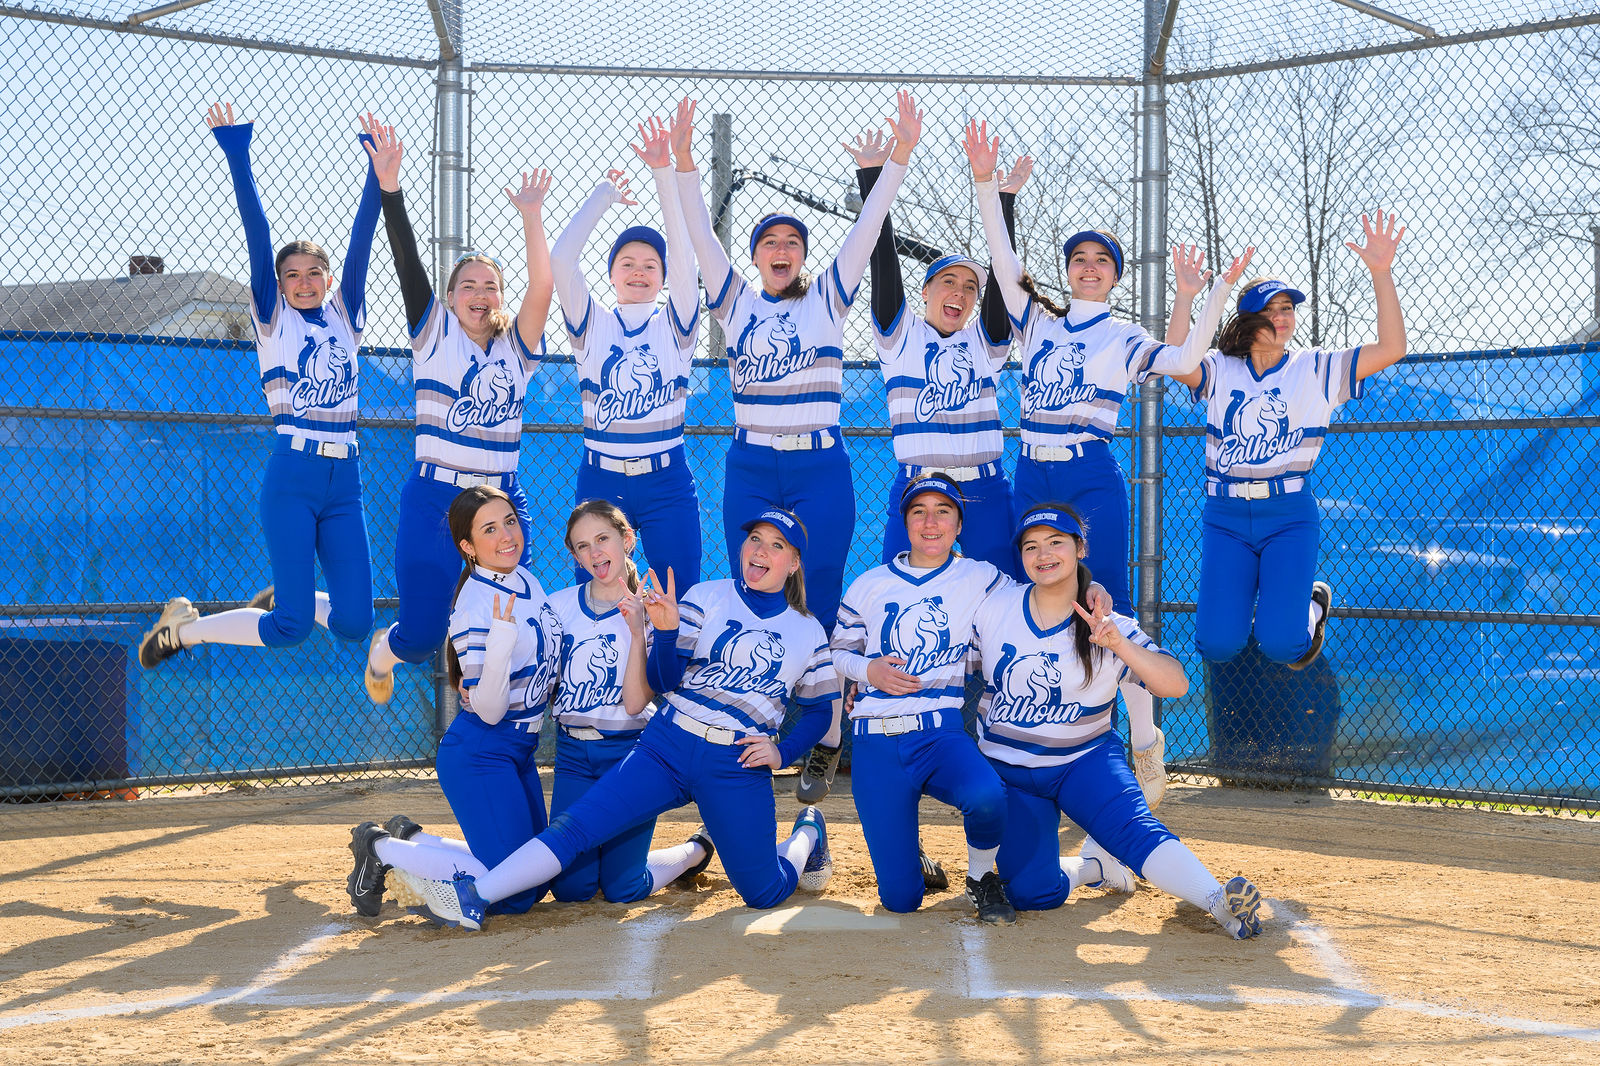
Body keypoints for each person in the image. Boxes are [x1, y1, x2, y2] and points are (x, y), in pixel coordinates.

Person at [965, 117, 1250, 807]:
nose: (1088, 267)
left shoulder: (1123, 335)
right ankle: (1039, 739)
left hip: (1090, 474)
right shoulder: (1038, 320)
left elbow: (1185, 358)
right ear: (1067, 270)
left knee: (1105, 610)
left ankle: (1143, 738)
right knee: (1031, 599)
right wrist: (987, 186)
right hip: (1033, 471)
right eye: (1079, 259)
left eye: (1102, 261)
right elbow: (1001, 262)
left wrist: (1210, 291)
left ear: (1116, 277)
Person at [381, 508, 839, 930]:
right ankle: (473, 895)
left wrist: (782, 752)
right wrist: (665, 633)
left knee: (762, 892)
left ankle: (805, 834)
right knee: (572, 860)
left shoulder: (807, 631)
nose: (761, 551)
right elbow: (664, 679)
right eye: (755, 539)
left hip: (733, 762)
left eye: (776, 545)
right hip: (668, 746)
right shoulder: (705, 597)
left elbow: (820, 709)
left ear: (794, 563)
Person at [672, 92, 923, 636]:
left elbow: (868, 227)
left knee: (820, 584)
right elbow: (701, 236)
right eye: (769, 242)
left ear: (803, 255)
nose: (781, 249)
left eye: (792, 242)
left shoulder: (826, 298)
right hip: (752, 464)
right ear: (755, 256)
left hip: (819, 464)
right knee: (752, 582)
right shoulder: (736, 302)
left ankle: (822, 689)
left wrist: (899, 156)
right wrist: (686, 163)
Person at [139, 104, 381, 668]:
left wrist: (378, 173)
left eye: (313, 273)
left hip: (345, 479)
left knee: (354, 622)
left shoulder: (345, 316)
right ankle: (187, 631)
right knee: (290, 628)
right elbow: (258, 232)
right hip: (293, 474)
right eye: (291, 274)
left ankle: (291, 597)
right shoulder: (273, 318)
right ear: (279, 283)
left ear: (328, 279)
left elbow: (362, 241)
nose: (304, 282)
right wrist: (237, 154)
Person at [972, 503, 1265, 938]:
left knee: (1135, 831)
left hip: (1082, 762)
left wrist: (1120, 645)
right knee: (1032, 893)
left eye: (1055, 542)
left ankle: (1218, 902)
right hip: (1010, 771)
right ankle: (1095, 866)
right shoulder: (995, 609)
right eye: (1031, 546)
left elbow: (1175, 683)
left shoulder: (1110, 624)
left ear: (1080, 548)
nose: (1043, 554)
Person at [832, 474, 1112, 925]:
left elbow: (1044, 592)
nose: (931, 522)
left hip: (938, 734)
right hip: (875, 741)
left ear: (959, 525)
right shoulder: (869, 584)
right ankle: (909, 857)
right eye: (919, 512)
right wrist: (868, 671)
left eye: (943, 512)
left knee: (987, 795)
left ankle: (981, 877)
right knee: (900, 901)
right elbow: (839, 653)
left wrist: (1089, 586)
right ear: (904, 522)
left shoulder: (981, 578)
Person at [357, 121, 553, 703]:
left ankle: (485, 714)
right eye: (467, 285)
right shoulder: (434, 334)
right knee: (421, 637)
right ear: (449, 298)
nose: (479, 294)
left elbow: (543, 286)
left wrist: (531, 216)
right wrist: (390, 189)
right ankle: (384, 648)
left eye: (490, 286)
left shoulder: (517, 349)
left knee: (505, 621)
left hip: (499, 499)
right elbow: (407, 261)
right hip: (436, 498)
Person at [1168, 212, 1407, 670]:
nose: (1281, 318)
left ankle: (1310, 607)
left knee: (1281, 645)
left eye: (1288, 309)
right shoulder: (1220, 367)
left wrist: (1381, 272)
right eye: (1270, 310)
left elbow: (1392, 348)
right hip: (1226, 516)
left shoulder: (1316, 367)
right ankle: (1260, 604)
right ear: (1247, 320)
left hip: (1288, 514)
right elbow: (1176, 360)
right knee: (1217, 645)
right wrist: (1185, 297)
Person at [346, 485, 562, 918]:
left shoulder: (525, 579)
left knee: (536, 878)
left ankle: (414, 841)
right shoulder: (474, 607)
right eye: (489, 529)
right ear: (468, 546)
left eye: (510, 521)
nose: (507, 536)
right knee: (515, 894)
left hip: (519, 747)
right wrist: (500, 641)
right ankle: (380, 848)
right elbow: (491, 710)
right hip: (481, 752)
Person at [549, 109, 703, 590]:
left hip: (665, 480)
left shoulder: (674, 324)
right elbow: (561, 259)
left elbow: (685, 258)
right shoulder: (593, 324)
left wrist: (663, 174)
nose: (639, 271)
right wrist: (604, 195)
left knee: (678, 594)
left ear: (663, 277)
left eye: (650, 265)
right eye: (627, 262)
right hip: (602, 479)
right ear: (612, 273)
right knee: (597, 600)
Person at [545, 499, 713, 902]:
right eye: (582, 546)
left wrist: (639, 631)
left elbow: (636, 703)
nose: (594, 553)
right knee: (570, 888)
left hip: (631, 756)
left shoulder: (657, 610)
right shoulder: (557, 607)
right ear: (574, 555)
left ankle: (697, 849)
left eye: (602, 539)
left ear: (628, 540)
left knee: (623, 888)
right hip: (573, 755)